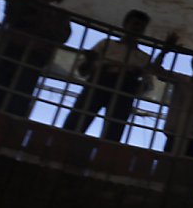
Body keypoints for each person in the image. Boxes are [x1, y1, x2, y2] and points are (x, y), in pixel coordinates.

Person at [0, 0, 72, 116]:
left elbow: (62, 35)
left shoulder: (59, 14)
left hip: (34, 58)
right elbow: (15, 17)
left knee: (20, 97)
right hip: (12, 51)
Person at [63, 9, 154, 141]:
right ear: (125, 24)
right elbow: (83, 69)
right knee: (79, 118)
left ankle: (100, 150)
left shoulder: (143, 57)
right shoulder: (107, 44)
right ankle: (65, 141)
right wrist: (91, 61)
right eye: (135, 24)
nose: (137, 28)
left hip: (124, 87)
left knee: (113, 128)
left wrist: (136, 79)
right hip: (102, 81)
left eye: (141, 26)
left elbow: (147, 85)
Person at [151, 34, 193, 158]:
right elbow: (157, 70)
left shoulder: (183, 81)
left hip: (189, 136)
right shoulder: (183, 81)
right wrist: (164, 51)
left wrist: (164, 51)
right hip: (184, 134)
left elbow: (157, 70)